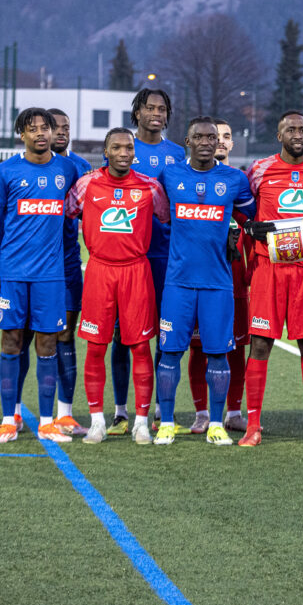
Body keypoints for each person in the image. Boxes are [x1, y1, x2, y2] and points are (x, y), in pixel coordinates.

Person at [153, 117, 256, 446]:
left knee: (218, 355)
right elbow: (157, 214)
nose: (206, 142)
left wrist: (236, 232)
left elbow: (252, 219)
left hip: (218, 284)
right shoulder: (170, 176)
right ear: (188, 141)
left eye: (212, 138)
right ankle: (166, 423)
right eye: (199, 137)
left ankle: (215, 424)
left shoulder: (235, 179)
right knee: (170, 353)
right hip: (178, 283)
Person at [0, 108, 83, 443]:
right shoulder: (6, 171)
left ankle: (47, 422)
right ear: (21, 134)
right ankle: (7, 420)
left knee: (48, 344)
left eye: (45, 128)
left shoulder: (68, 169)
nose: (40, 133)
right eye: (33, 129)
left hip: (51, 277)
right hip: (13, 274)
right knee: (11, 342)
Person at [240, 111, 303, 447]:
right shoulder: (259, 170)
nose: (297, 134)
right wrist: (252, 229)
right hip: (269, 269)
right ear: (279, 136)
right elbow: (242, 210)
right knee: (260, 344)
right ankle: (253, 427)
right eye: (290, 130)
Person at [67, 129, 162, 444]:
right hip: (100, 271)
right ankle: (97, 421)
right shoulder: (87, 184)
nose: (124, 153)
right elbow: (67, 213)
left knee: (140, 347)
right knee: (96, 346)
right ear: (105, 152)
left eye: (129, 147)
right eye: (117, 147)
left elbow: (167, 217)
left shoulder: (150, 187)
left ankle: (141, 423)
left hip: (136, 271)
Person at [110, 87, 185, 433]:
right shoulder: (124, 147)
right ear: (137, 113)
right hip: (129, 257)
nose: (157, 114)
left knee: (162, 334)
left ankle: (158, 410)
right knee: (122, 334)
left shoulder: (177, 154)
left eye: (162, 109)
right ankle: (120, 411)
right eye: (150, 108)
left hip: (167, 256)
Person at [185, 117, 250, 433]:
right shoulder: (188, 179)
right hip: (197, 278)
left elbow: (257, 222)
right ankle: (201, 412)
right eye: (215, 135)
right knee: (198, 349)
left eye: (226, 135)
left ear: (231, 143)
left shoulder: (240, 182)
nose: (220, 140)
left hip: (234, 281)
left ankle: (234, 412)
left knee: (236, 347)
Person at [48, 107, 93, 435]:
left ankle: (65, 414)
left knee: (65, 335)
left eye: (66, 126)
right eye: (55, 127)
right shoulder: (24, 167)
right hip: (30, 264)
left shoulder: (81, 168)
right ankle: (15, 413)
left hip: (67, 263)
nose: (62, 131)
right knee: (22, 338)